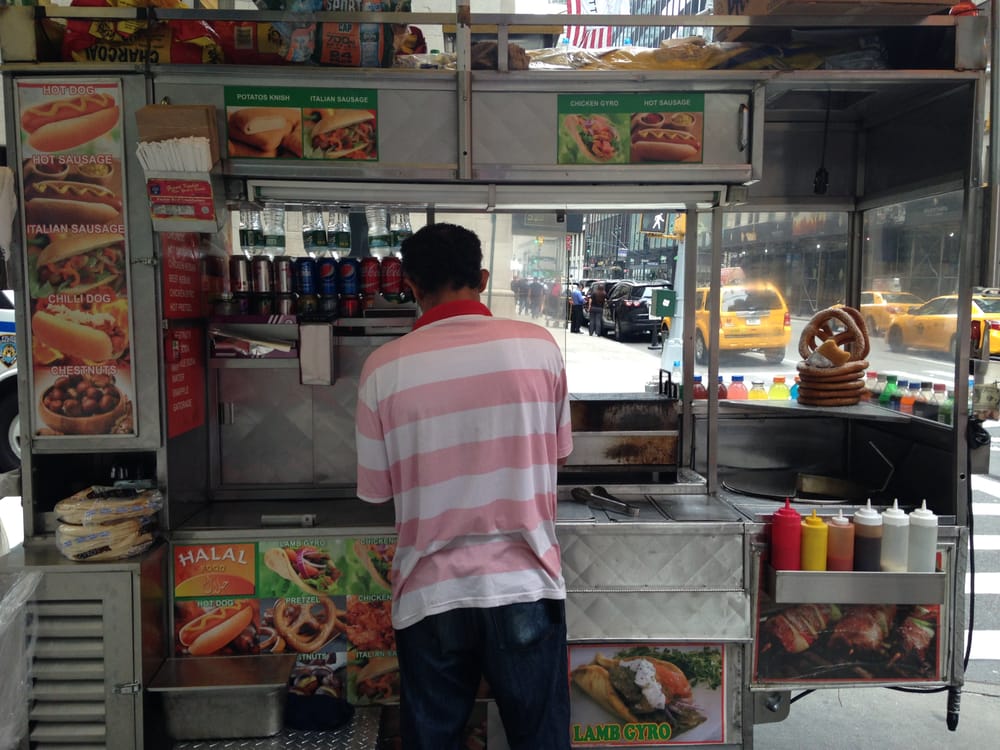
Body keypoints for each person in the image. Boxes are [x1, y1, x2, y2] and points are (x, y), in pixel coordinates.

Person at [355, 223, 573, 750]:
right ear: (482, 277)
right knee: (540, 740)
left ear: (409, 284)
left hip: (431, 592)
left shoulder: (382, 370)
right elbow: (558, 452)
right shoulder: (540, 349)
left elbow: (377, 491)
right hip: (524, 583)